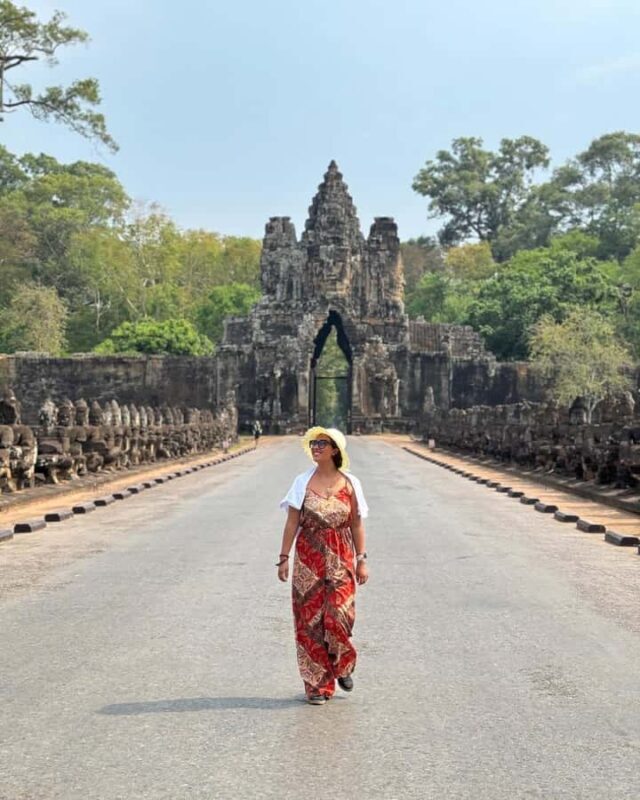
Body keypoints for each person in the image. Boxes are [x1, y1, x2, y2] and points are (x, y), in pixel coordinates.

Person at [278, 426, 369, 705]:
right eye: (314, 443)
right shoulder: (302, 483)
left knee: (338, 616)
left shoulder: (351, 484)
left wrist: (361, 559)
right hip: (309, 558)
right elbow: (292, 522)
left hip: (341, 557)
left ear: (335, 450)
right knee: (309, 622)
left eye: (322, 443)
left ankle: (342, 663)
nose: (316, 447)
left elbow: (356, 523)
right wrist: (284, 558)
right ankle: (317, 685)